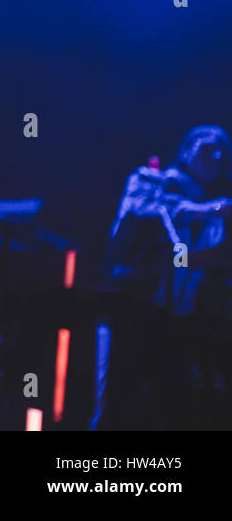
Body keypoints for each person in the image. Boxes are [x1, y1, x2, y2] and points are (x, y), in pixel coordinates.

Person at [94, 125, 232, 429]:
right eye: (207, 147)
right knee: (116, 405)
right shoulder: (150, 180)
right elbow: (147, 211)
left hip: (174, 321)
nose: (217, 155)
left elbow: (186, 259)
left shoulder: (217, 208)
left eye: (223, 152)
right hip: (129, 310)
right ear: (186, 150)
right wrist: (204, 209)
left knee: (177, 410)